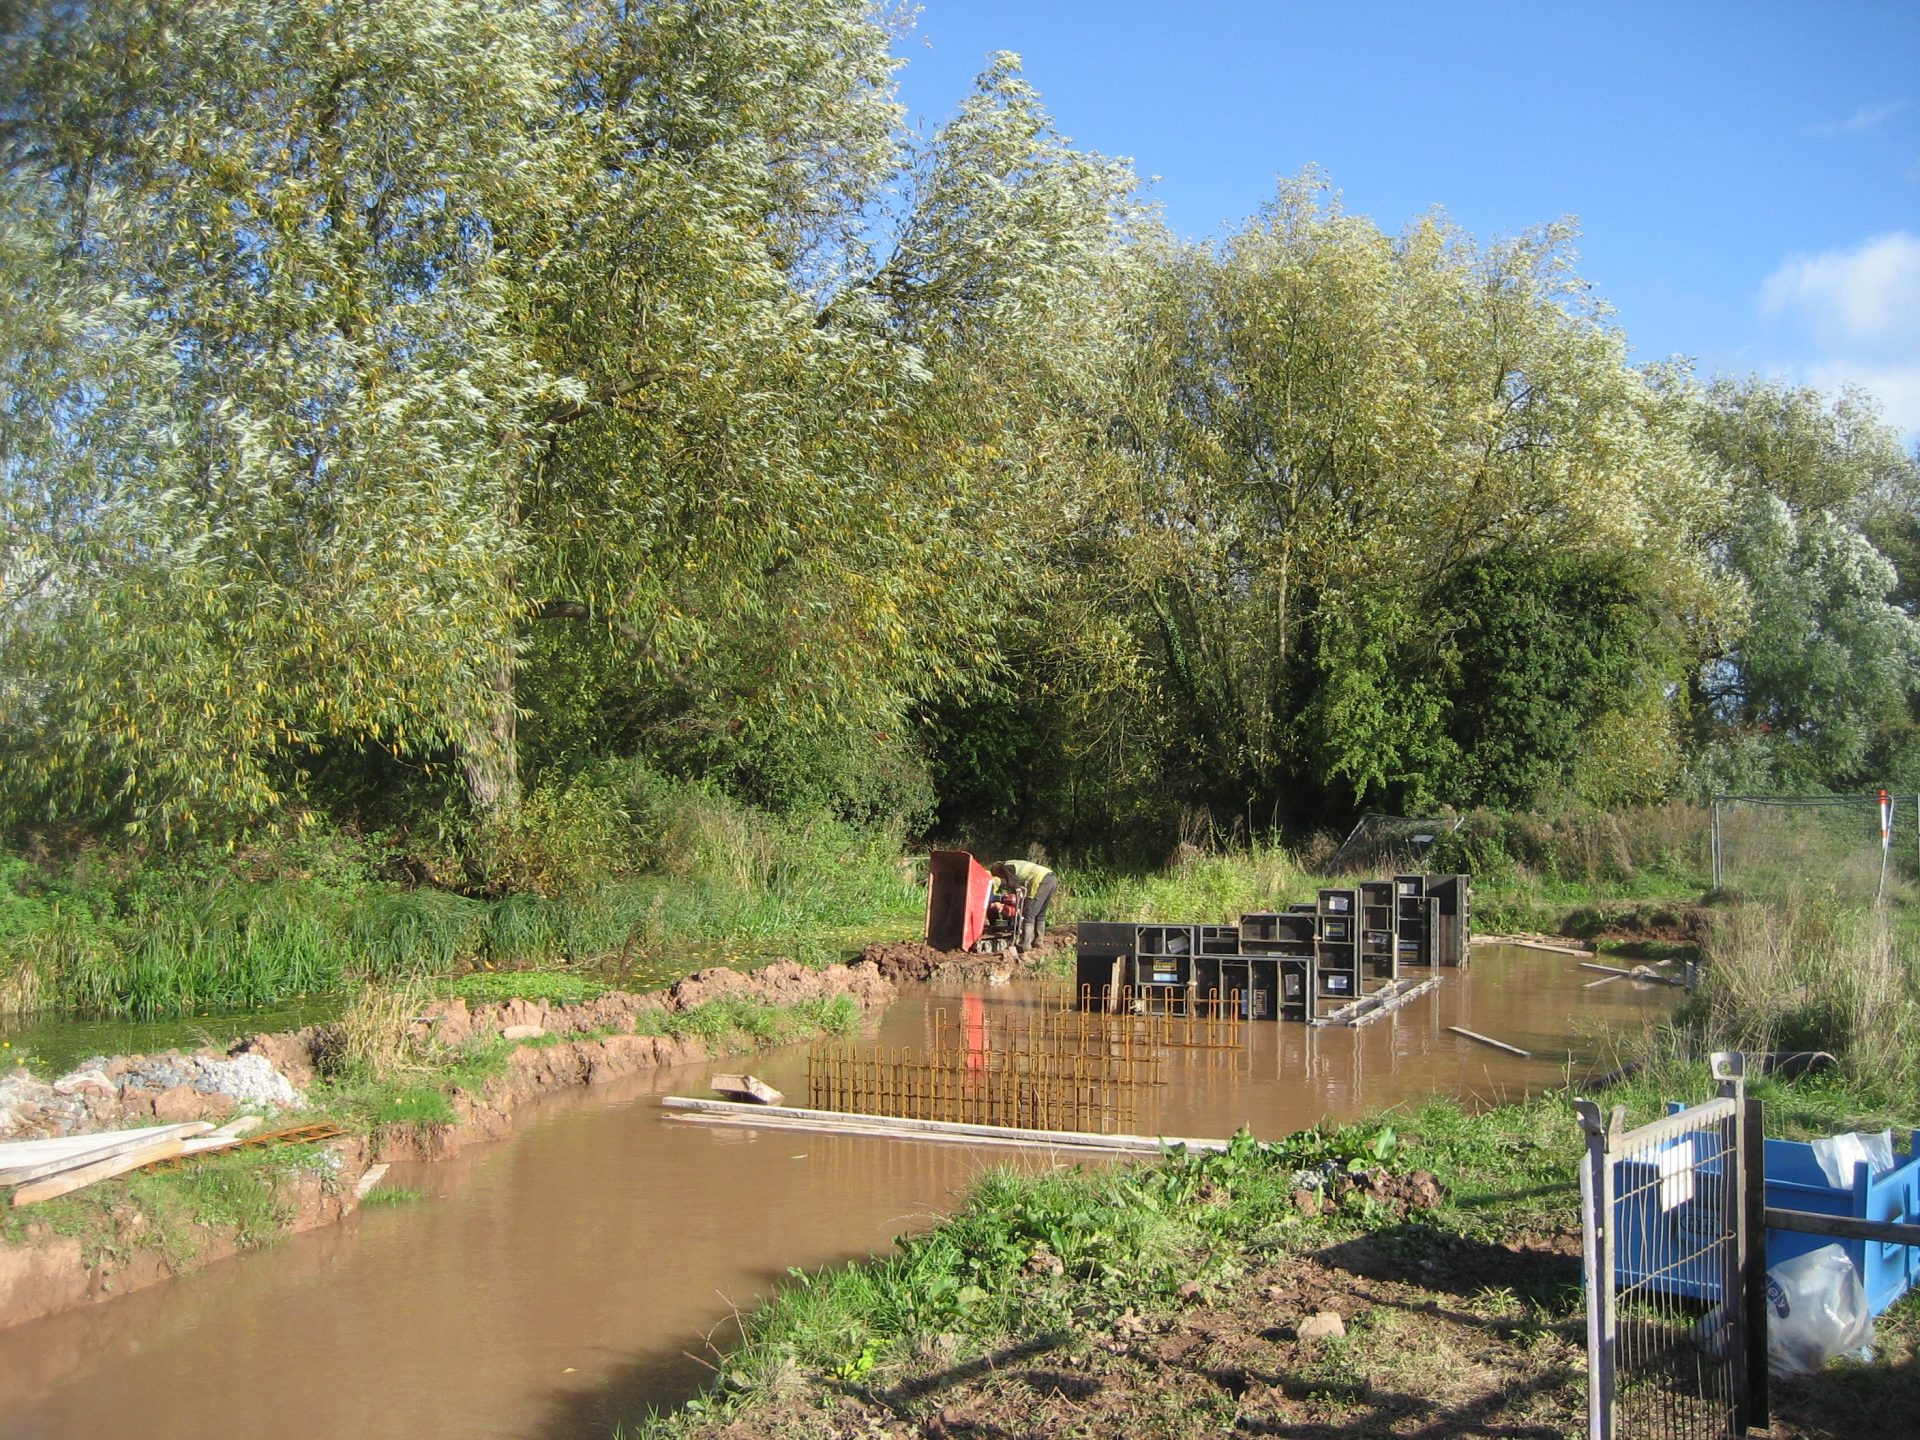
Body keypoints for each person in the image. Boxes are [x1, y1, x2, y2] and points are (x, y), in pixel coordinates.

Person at [992, 859, 1057, 949]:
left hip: (1041, 879)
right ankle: (1038, 942)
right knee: (1040, 914)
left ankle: (1025, 944)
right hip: (1052, 878)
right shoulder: (1013, 864)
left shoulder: (1005, 867)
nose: (1002, 878)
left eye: (1000, 876)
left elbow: (1013, 884)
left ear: (998, 871)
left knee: (1028, 914)